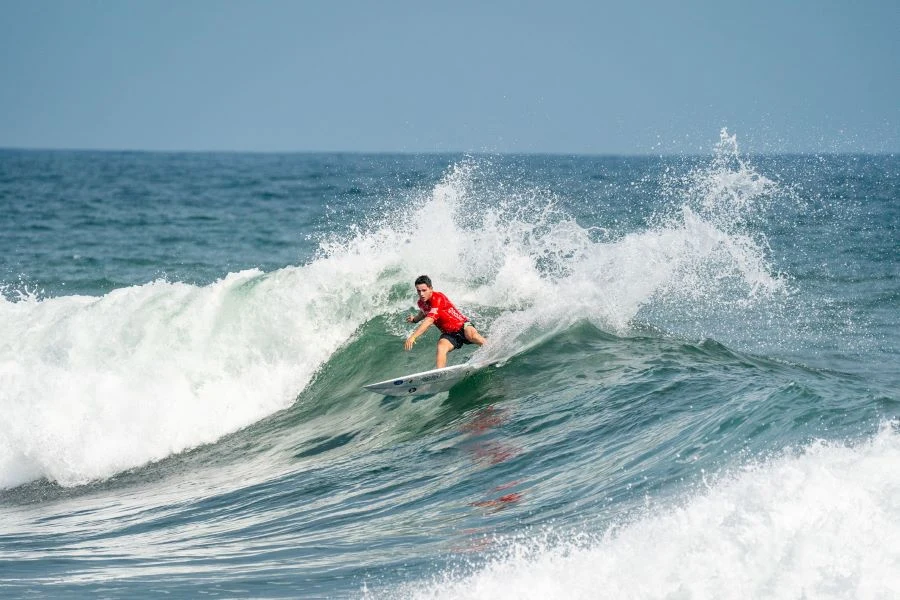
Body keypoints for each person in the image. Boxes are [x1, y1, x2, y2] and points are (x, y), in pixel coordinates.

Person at [404, 275, 485, 368]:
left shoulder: (438, 298)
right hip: (450, 334)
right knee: (441, 346)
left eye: (424, 290)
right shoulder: (421, 303)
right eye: (419, 291)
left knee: (471, 335)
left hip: (463, 326)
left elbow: (429, 320)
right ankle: (440, 373)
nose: (421, 294)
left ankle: (490, 347)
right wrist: (414, 319)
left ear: (431, 289)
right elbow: (423, 312)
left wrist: (413, 337)